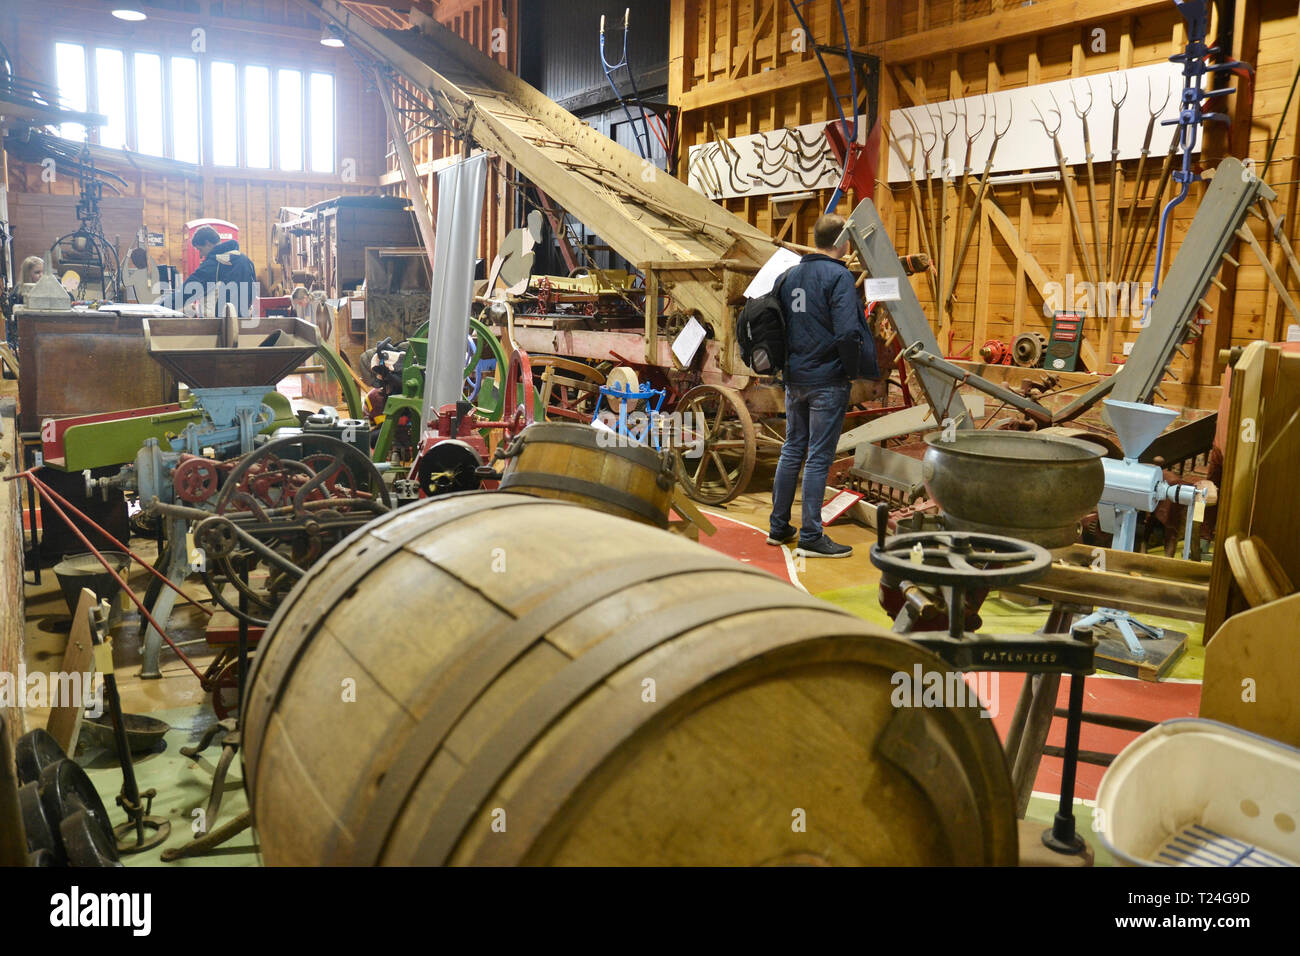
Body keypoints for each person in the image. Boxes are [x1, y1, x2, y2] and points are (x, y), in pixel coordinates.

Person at [767, 213, 878, 559]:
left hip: (794, 378)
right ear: (844, 240)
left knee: (792, 448)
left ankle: (778, 526)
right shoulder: (839, 276)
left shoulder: (788, 276)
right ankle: (812, 536)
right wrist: (851, 369)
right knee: (817, 458)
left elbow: (778, 325)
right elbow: (847, 332)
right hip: (827, 380)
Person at [173, 225, 258, 315]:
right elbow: (253, 291)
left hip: (220, 323)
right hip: (244, 319)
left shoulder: (216, 261)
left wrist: (159, 307)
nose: (201, 255)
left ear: (208, 243)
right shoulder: (245, 259)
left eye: (200, 249)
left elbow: (187, 291)